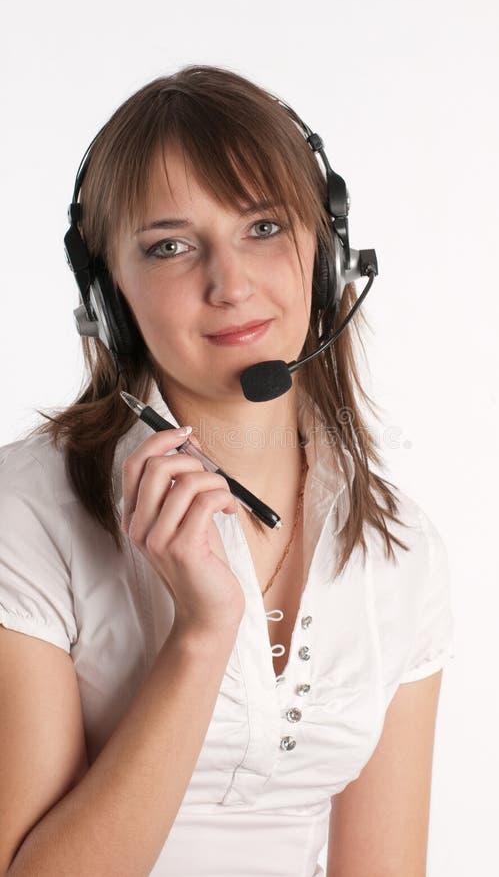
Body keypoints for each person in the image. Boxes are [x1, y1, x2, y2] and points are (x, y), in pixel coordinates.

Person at [0, 65, 455, 876]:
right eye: (170, 246)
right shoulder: (24, 515)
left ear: (327, 257)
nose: (230, 283)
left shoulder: (397, 549)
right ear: (107, 298)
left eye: (264, 228)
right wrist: (202, 637)